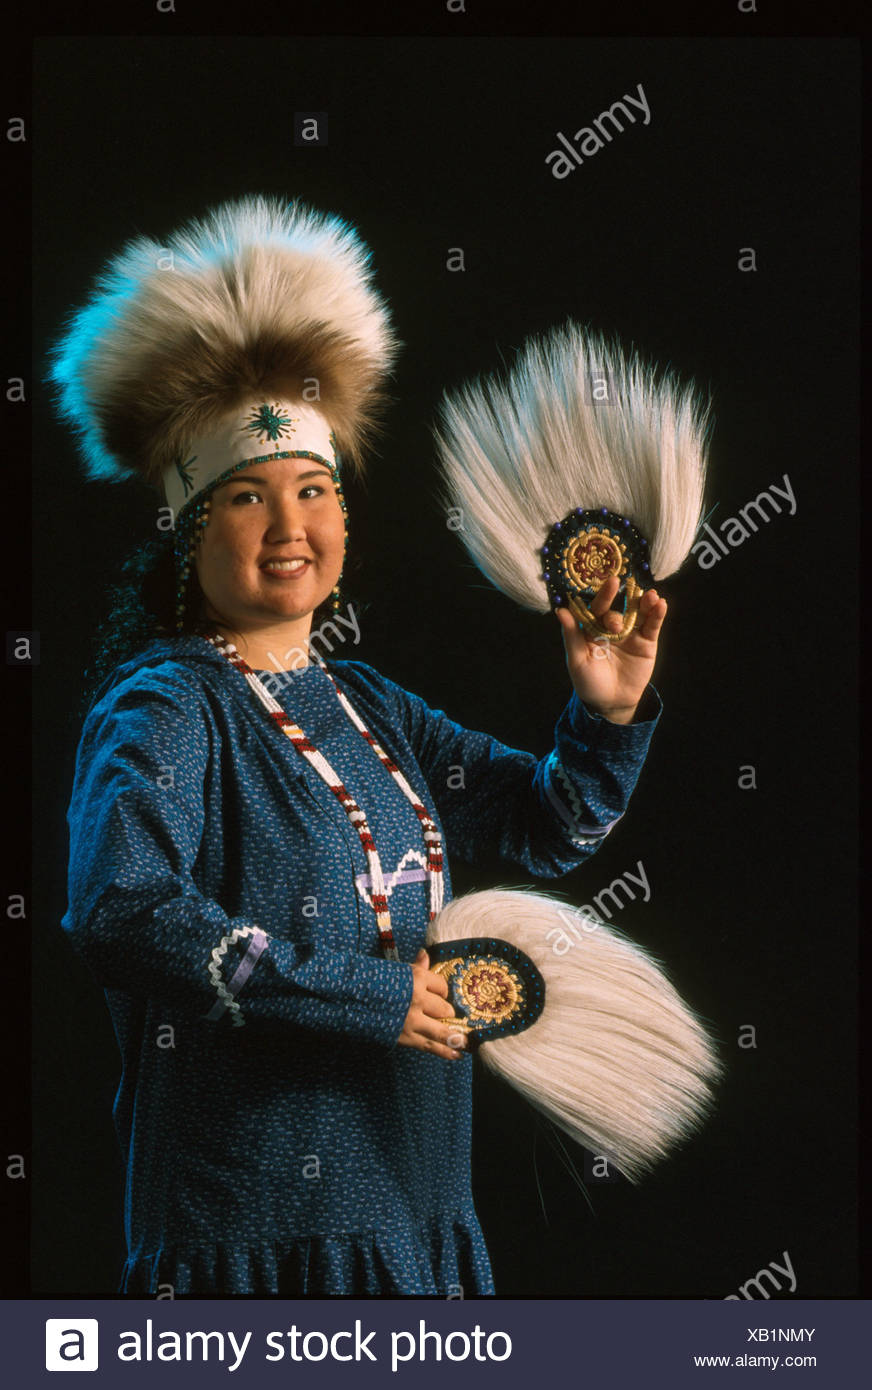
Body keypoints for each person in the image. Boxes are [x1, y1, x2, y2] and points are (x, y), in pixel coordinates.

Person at [52, 197, 665, 1296]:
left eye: (313, 488)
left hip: (415, 1216)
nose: (289, 525)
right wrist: (368, 996)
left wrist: (602, 710)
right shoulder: (167, 708)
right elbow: (122, 907)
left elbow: (547, 824)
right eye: (247, 494)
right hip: (255, 1237)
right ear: (189, 534)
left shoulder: (368, 703)